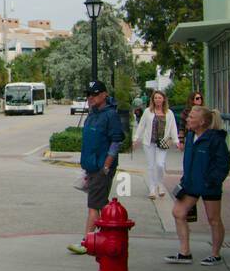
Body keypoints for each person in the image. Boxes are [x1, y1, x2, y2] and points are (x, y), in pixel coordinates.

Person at [167, 105, 230, 265]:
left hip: (209, 185)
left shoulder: (215, 139)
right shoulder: (190, 136)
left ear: (202, 122)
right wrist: (185, 179)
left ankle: (215, 254)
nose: (187, 120)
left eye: (191, 118)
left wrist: (212, 181)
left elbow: (223, 164)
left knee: (213, 219)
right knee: (178, 212)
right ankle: (184, 252)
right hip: (191, 183)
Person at [68, 80, 123, 254]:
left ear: (104, 94)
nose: (90, 97)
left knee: (93, 205)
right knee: (100, 204)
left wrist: (106, 165)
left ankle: (88, 241)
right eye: (88, 94)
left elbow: (116, 140)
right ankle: (104, 236)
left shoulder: (110, 115)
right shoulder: (92, 114)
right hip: (91, 166)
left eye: (94, 94)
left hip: (101, 167)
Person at [133, 89, 177, 199]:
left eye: (160, 98)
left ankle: (160, 184)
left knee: (160, 164)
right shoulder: (148, 111)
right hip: (149, 142)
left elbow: (173, 127)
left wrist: (176, 141)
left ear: (163, 99)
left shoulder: (169, 113)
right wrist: (136, 138)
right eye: (155, 98)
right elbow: (142, 125)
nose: (157, 100)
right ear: (153, 100)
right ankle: (152, 189)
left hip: (163, 142)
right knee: (151, 166)